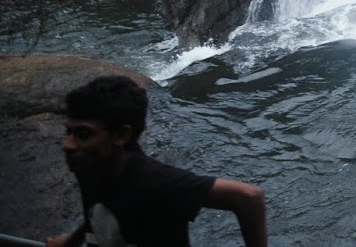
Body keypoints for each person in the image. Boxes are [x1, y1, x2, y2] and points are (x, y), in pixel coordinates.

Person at [45, 75, 267, 247]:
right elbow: (101, 209)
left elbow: (248, 197)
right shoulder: (91, 166)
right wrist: (71, 241)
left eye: (83, 134)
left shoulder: (154, 182)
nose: (68, 145)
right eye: (69, 132)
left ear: (121, 135)